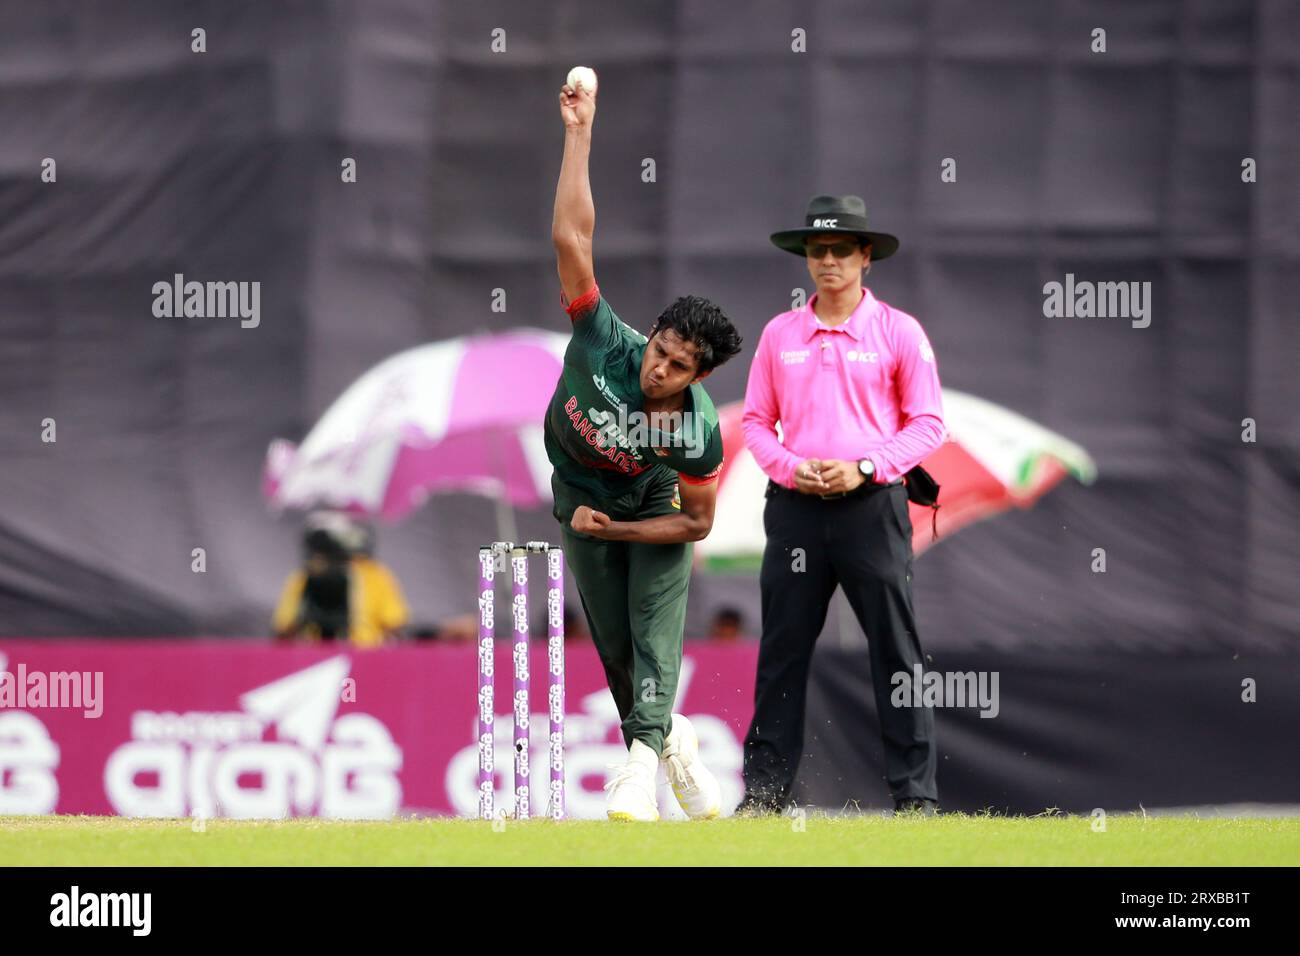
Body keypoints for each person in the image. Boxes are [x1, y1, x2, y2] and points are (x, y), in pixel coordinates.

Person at [547, 73, 744, 821]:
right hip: (577, 490)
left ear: (702, 375)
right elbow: (573, 237)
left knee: (654, 632)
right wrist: (579, 132)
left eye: (678, 367)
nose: (659, 370)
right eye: (660, 351)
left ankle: (633, 774)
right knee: (616, 650)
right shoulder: (604, 340)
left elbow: (698, 523)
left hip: (651, 505)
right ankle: (670, 742)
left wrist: (624, 530)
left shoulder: (695, 430)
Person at [738, 195, 946, 816]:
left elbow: (928, 424)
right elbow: (754, 423)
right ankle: (766, 796)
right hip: (797, 509)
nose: (827, 261)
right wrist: (794, 467)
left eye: (840, 251)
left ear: (865, 258)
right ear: (806, 259)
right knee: (782, 651)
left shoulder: (899, 331)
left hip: (872, 508)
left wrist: (863, 467)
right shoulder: (781, 333)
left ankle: (915, 797)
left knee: (896, 650)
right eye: (816, 251)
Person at [272, 517, 410, 647]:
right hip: (314, 656)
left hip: (363, 655)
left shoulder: (374, 574)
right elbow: (284, 628)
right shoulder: (304, 577)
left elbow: (394, 625)